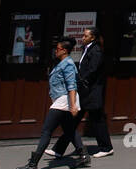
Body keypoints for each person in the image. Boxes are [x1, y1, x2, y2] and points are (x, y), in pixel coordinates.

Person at [15, 39, 91, 169]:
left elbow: (72, 86)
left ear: (64, 50)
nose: (55, 51)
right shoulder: (61, 63)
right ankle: (84, 156)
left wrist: (73, 105)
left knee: (47, 131)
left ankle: (33, 164)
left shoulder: (67, 64)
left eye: (58, 49)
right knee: (69, 129)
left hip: (64, 101)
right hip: (62, 100)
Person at [48, 25, 113, 159]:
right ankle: (59, 149)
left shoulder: (96, 51)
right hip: (86, 92)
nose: (82, 38)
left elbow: (92, 70)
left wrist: (79, 81)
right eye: (83, 35)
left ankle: (106, 147)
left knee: (94, 119)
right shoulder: (87, 49)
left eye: (85, 36)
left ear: (92, 38)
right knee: (74, 119)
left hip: (91, 92)